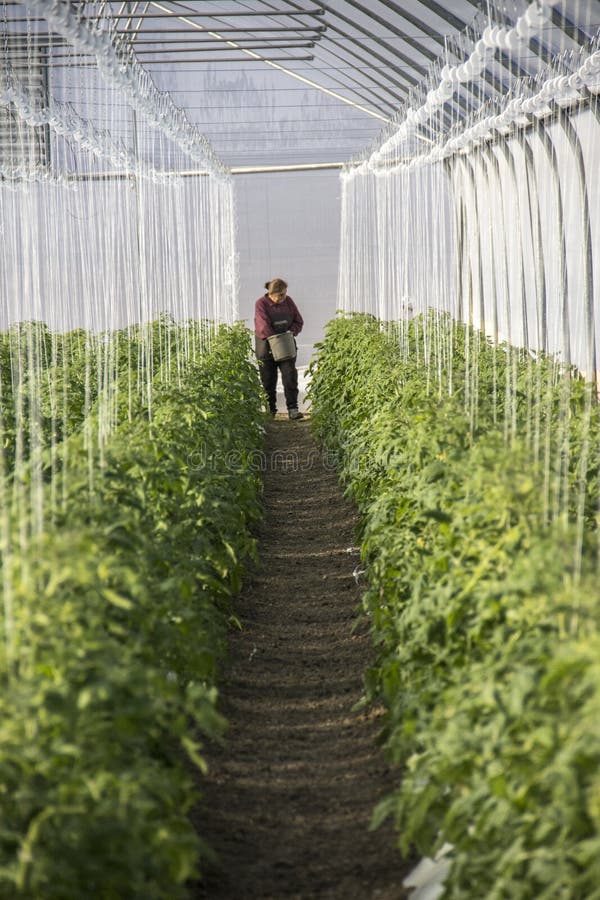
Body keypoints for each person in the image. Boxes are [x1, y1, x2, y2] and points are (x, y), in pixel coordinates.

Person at [254, 278, 304, 420]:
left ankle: (293, 409)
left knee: (290, 377)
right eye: (280, 295)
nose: (283, 297)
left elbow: (298, 321)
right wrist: (276, 341)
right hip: (266, 346)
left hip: (286, 344)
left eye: (284, 293)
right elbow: (263, 326)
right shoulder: (261, 304)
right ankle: (270, 411)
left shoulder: (288, 302)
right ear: (271, 294)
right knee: (268, 380)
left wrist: (291, 331)